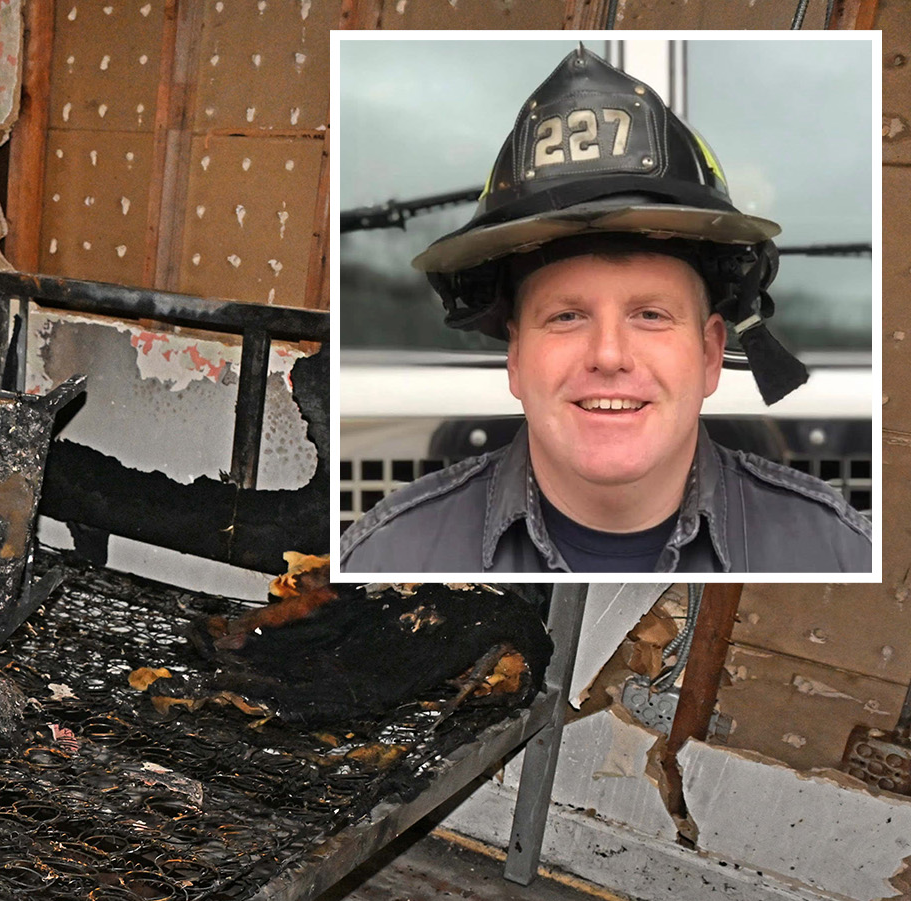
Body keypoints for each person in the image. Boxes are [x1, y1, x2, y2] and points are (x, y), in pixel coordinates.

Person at [340, 47, 871, 575]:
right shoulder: (384, 561)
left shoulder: (839, 555)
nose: (609, 355)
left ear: (710, 354)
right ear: (516, 359)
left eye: (651, 315)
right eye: (567, 317)